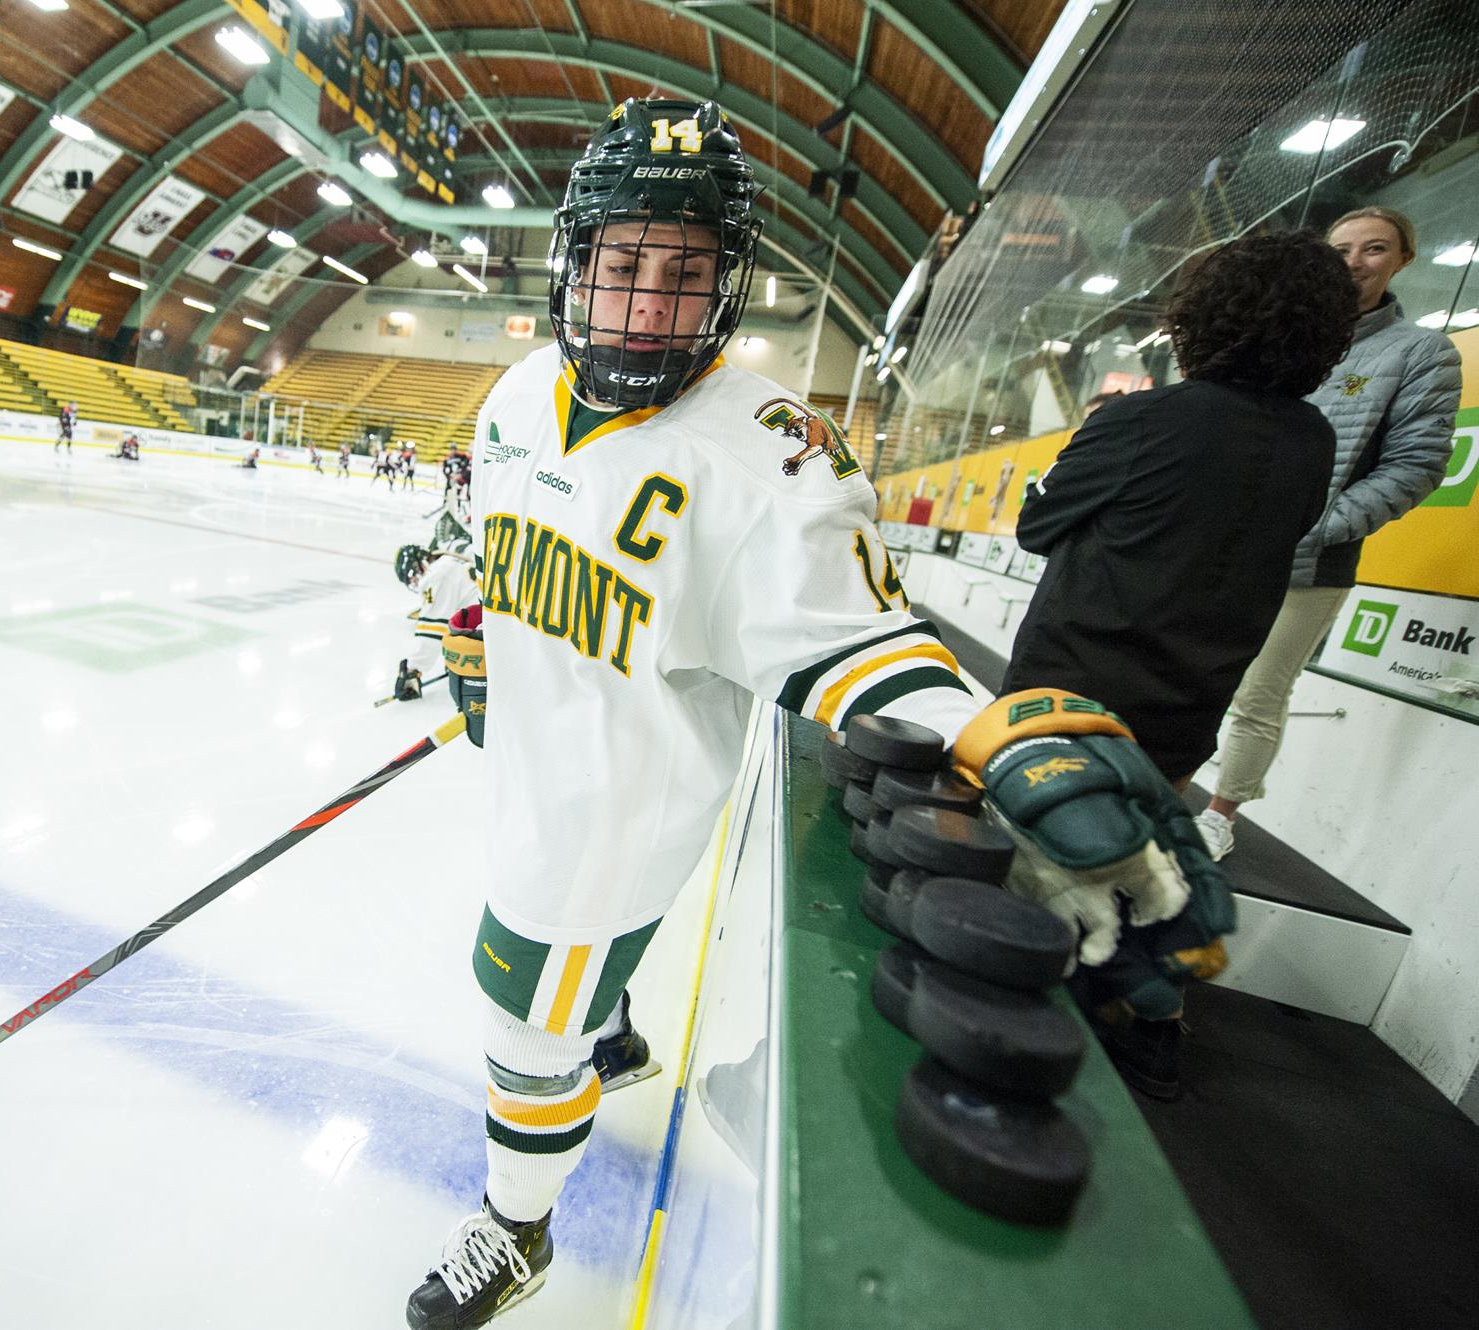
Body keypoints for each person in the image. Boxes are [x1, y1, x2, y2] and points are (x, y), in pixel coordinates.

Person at [404, 99, 1237, 1328]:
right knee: (581, 979)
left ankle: (514, 1224)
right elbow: (491, 535)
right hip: (539, 759)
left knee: (522, 1015)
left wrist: (987, 737)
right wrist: (471, 623)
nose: (646, 306)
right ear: (574, 260)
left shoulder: (768, 455)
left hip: (611, 814)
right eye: (624, 265)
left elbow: (858, 638)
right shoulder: (519, 390)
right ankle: (612, 1033)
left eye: (684, 276)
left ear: (728, 286)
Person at [1001, 231, 1359, 787]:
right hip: (1191, 713)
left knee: (1025, 831)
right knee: (1142, 837)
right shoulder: (1315, 438)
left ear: (1204, 315)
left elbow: (1035, 525)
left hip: (1068, 698)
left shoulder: (1142, 418)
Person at [1196, 206, 1462, 859]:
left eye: (1375, 248)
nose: (1355, 261)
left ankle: (1219, 816)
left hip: (1311, 562)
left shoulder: (1421, 351)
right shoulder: (1280, 339)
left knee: (1258, 694)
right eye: (1342, 248)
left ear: (1403, 260)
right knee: (1188, 672)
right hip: (1221, 545)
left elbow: (1415, 467)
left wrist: (1313, 530)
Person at [390, 542, 478, 702]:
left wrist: (412, 669)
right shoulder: (449, 563)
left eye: (412, 575)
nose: (415, 581)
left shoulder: (437, 574)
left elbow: (431, 632)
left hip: (487, 631)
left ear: (419, 563)